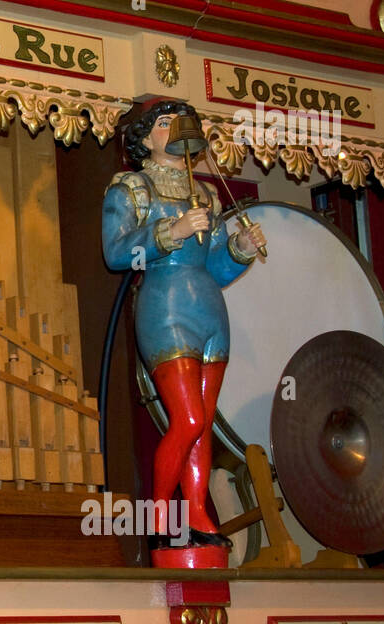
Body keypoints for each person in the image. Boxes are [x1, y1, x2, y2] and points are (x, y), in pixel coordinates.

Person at [101, 99, 265, 550]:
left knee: (204, 421)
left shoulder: (205, 191)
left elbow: (213, 265)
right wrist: (169, 233)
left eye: (180, 123)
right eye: (164, 123)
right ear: (144, 137)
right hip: (165, 304)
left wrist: (239, 249)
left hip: (208, 306)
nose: (175, 131)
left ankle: (196, 513)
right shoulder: (131, 189)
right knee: (188, 417)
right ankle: (158, 519)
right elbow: (116, 254)